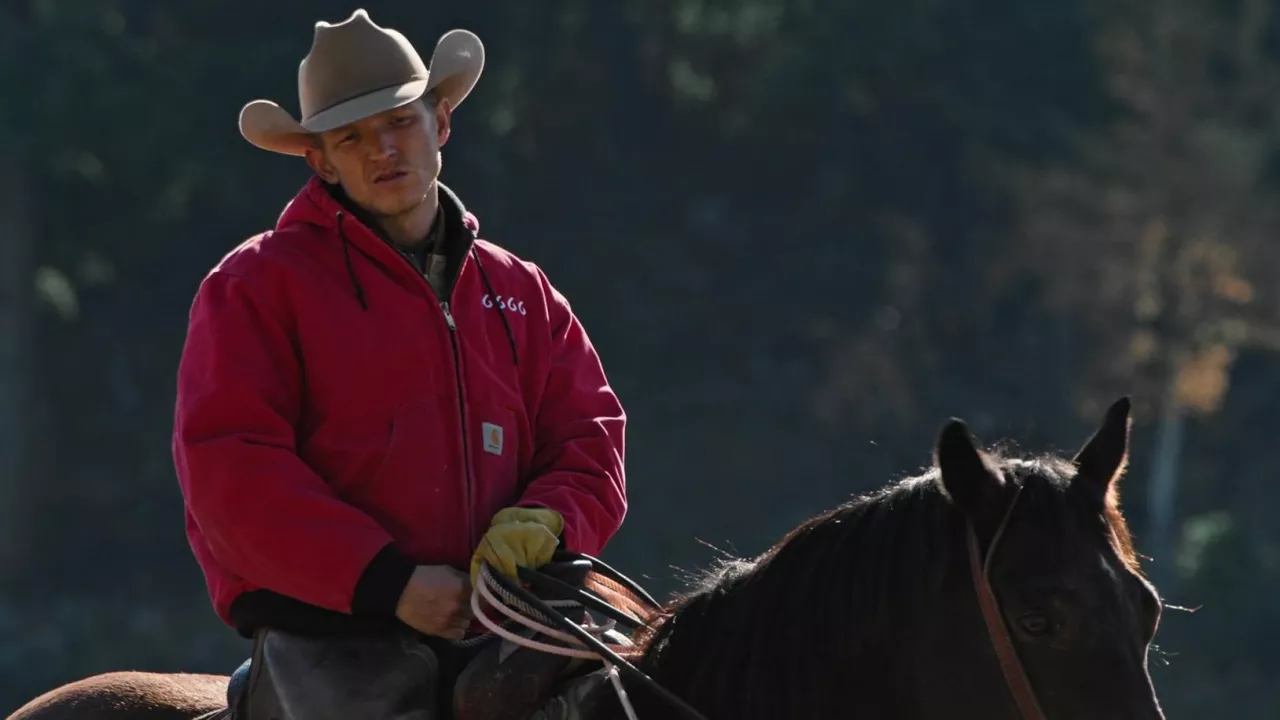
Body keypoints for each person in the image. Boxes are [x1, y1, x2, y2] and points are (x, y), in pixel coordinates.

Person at [171, 9, 627, 720]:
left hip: (516, 609)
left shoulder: (522, 290)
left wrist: (546, 521)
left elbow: (589, 439)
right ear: (320, 161)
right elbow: (231, 472)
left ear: (440, 123)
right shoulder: (252, 287)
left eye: (400, 123)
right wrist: (390, 582)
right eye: (351, 137)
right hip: (335, 626)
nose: (383, 149)